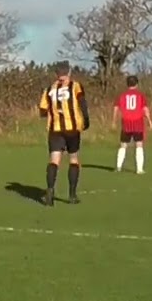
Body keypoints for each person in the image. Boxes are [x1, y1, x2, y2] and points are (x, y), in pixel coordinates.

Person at [38, 61, 89, 206]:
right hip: (72, 129)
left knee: (54, 160)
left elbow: (42, 110)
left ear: (56, 74)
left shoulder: (49, 89)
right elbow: (82, 103)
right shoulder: (75, 86)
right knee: (73, 159)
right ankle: (72, 195)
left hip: (55, 129)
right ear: (69, 72)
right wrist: (86, 120)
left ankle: (50, 191)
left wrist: (54, 112)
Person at [113, 75, 152, 173]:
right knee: (139, 144)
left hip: (126, 122)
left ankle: (118, 167)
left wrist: (114, 121)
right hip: (137, 122)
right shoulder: (140, 95)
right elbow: (145, 109)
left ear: (127, 84)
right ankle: (139, 169)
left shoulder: (122, 95)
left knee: (123, 145)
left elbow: (116, 108)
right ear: (137, 84)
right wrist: (149, 120)